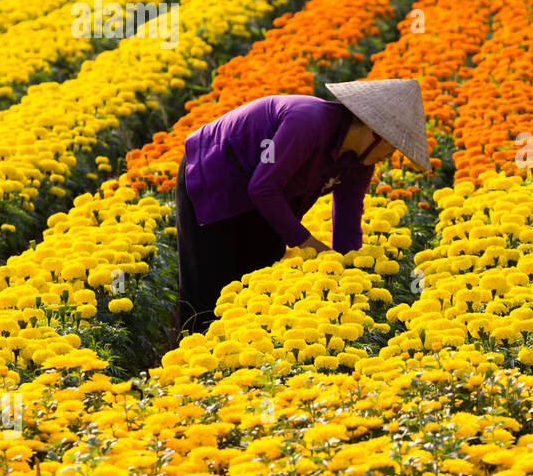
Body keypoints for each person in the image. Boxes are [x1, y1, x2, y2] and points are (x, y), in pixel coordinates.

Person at [174, 79, 430, 335]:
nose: (392, 155)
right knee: (208, 296)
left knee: (256, 291)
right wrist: (308, 242)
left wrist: (349, 274)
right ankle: (194, 364)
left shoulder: (359, 164)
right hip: (215, 178)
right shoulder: (308, 122)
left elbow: (347, 224)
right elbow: (262, 187)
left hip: (264, 198)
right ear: (375, 132)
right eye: (394, 145)